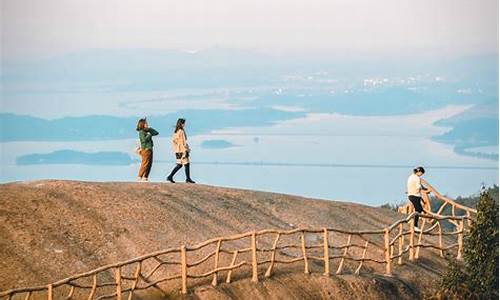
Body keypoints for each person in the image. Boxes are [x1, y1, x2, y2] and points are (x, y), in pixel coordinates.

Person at [166, 118, 195, 183]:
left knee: (179, 165)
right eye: (184, 123)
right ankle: (188, 179)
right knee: (186, 164)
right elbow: (183, 142)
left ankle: (170, 176)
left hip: (177, 150)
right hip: (182, 150)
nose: (184, 125)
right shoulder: (181, 131)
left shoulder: (176, 131)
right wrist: (186, 150)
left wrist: (176, 148)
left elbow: (174, 141)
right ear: (181, 124)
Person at [407, 166, 427, 231]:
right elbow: (418, 187)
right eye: (421, 173)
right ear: (419, 172)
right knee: (418, 210)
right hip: (415, 195)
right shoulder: (417, 178)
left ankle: (413, 223)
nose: (421, 175)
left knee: (419, 209)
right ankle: (414, 225)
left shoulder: (411, 176)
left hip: (410, 195)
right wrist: (424, 189)